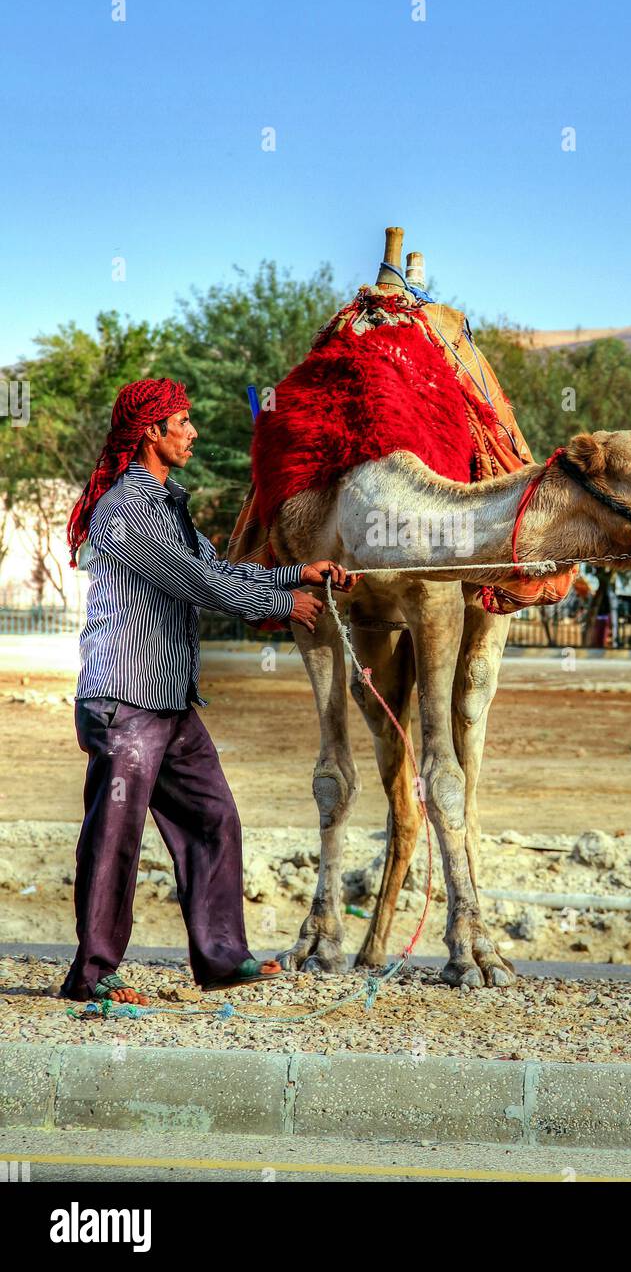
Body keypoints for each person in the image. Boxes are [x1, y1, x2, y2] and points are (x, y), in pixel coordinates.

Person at [60, 376, 357, 1004]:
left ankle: (222, 958)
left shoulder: (168, 501)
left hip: (169, 702)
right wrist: (283, 600)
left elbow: (217, 568)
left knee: (213, 818)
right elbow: (202, 586)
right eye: (183, 422)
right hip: (126, 701)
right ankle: (91, 976)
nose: (193, 432)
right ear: (151, 432)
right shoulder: (127, 510)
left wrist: (295, 571)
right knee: (116, 836)